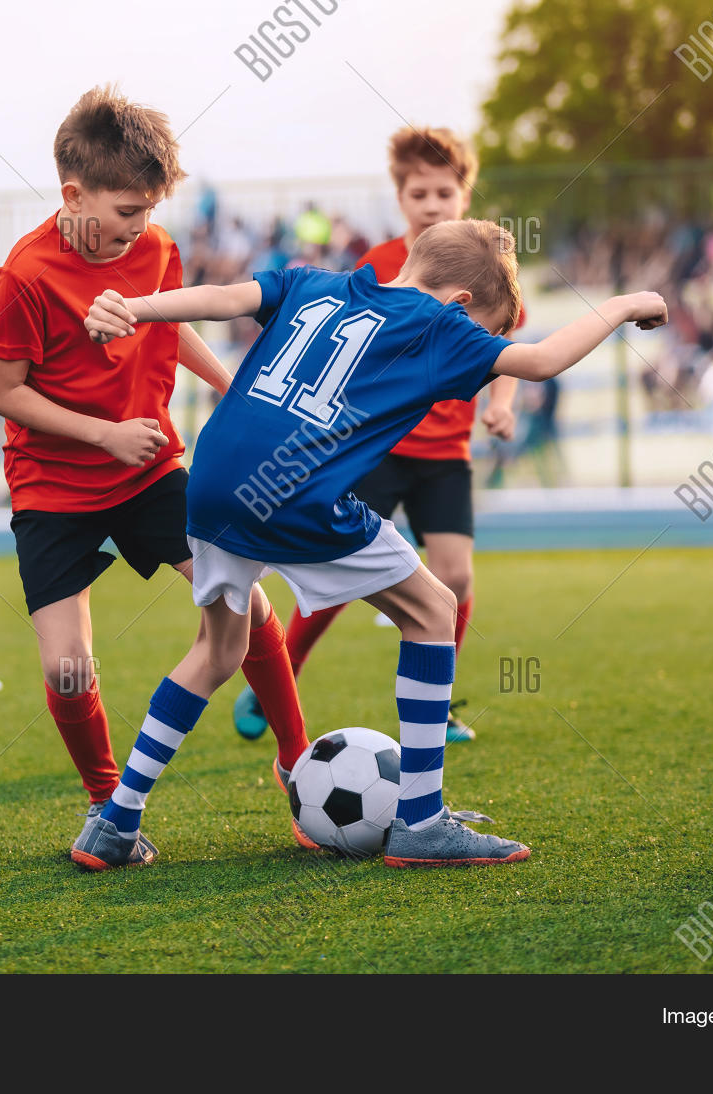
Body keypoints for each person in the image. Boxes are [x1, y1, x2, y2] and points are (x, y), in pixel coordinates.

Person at [72, 218, 666, 869]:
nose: (478, 345)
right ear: (462, 302)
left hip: (210, 480)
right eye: (487, 329)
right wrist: (625, 303)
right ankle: (423, 821)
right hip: (295, 493)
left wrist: (133, 308)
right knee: (435, 611)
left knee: (218, 649)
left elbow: (221, 298)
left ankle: (116, 821)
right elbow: (543, 361)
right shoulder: (442, 324)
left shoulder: (313, 282)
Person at [0, 85, 311, 861]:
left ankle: (297, 761)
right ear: (74, 196)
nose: (141, 226)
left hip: (148, 469)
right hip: (54, 487)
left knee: (245, 598)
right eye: (127, 210)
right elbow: (4, 392)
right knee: (68, 670)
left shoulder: (156, 248)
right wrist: (102, 435)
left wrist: (231, 385)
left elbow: (167, 325)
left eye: (151, 209)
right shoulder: (23, 276)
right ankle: (109, 805)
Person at [232, 127, 523, 744]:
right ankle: (279, 678)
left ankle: (437, 707)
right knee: (342, 574)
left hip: (447, 455)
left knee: (456, 580)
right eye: (420, 193)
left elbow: (505, 351)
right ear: (400, 197)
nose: (433, 204)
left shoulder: (488, 272)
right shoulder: (384, 267)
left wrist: (501, 405)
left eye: (445, 192)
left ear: (464, 195)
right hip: (378, 449)